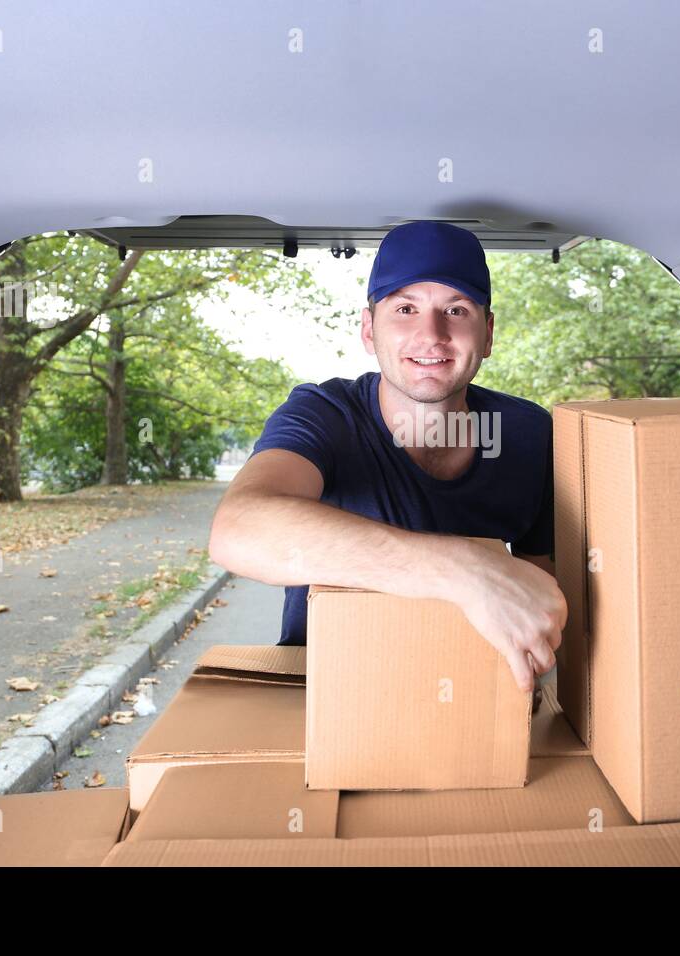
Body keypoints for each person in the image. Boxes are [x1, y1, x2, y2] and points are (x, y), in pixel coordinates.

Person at [207, 220, 566, 691]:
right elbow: (239, 531)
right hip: (324, 699)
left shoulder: (530, 433)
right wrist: (465, 572)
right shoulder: (325, 415)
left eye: (456, 310)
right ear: (368, 329)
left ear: (489, 332)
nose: (431, 333)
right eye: (405, 308)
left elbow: (544, 597)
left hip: (477, 701)